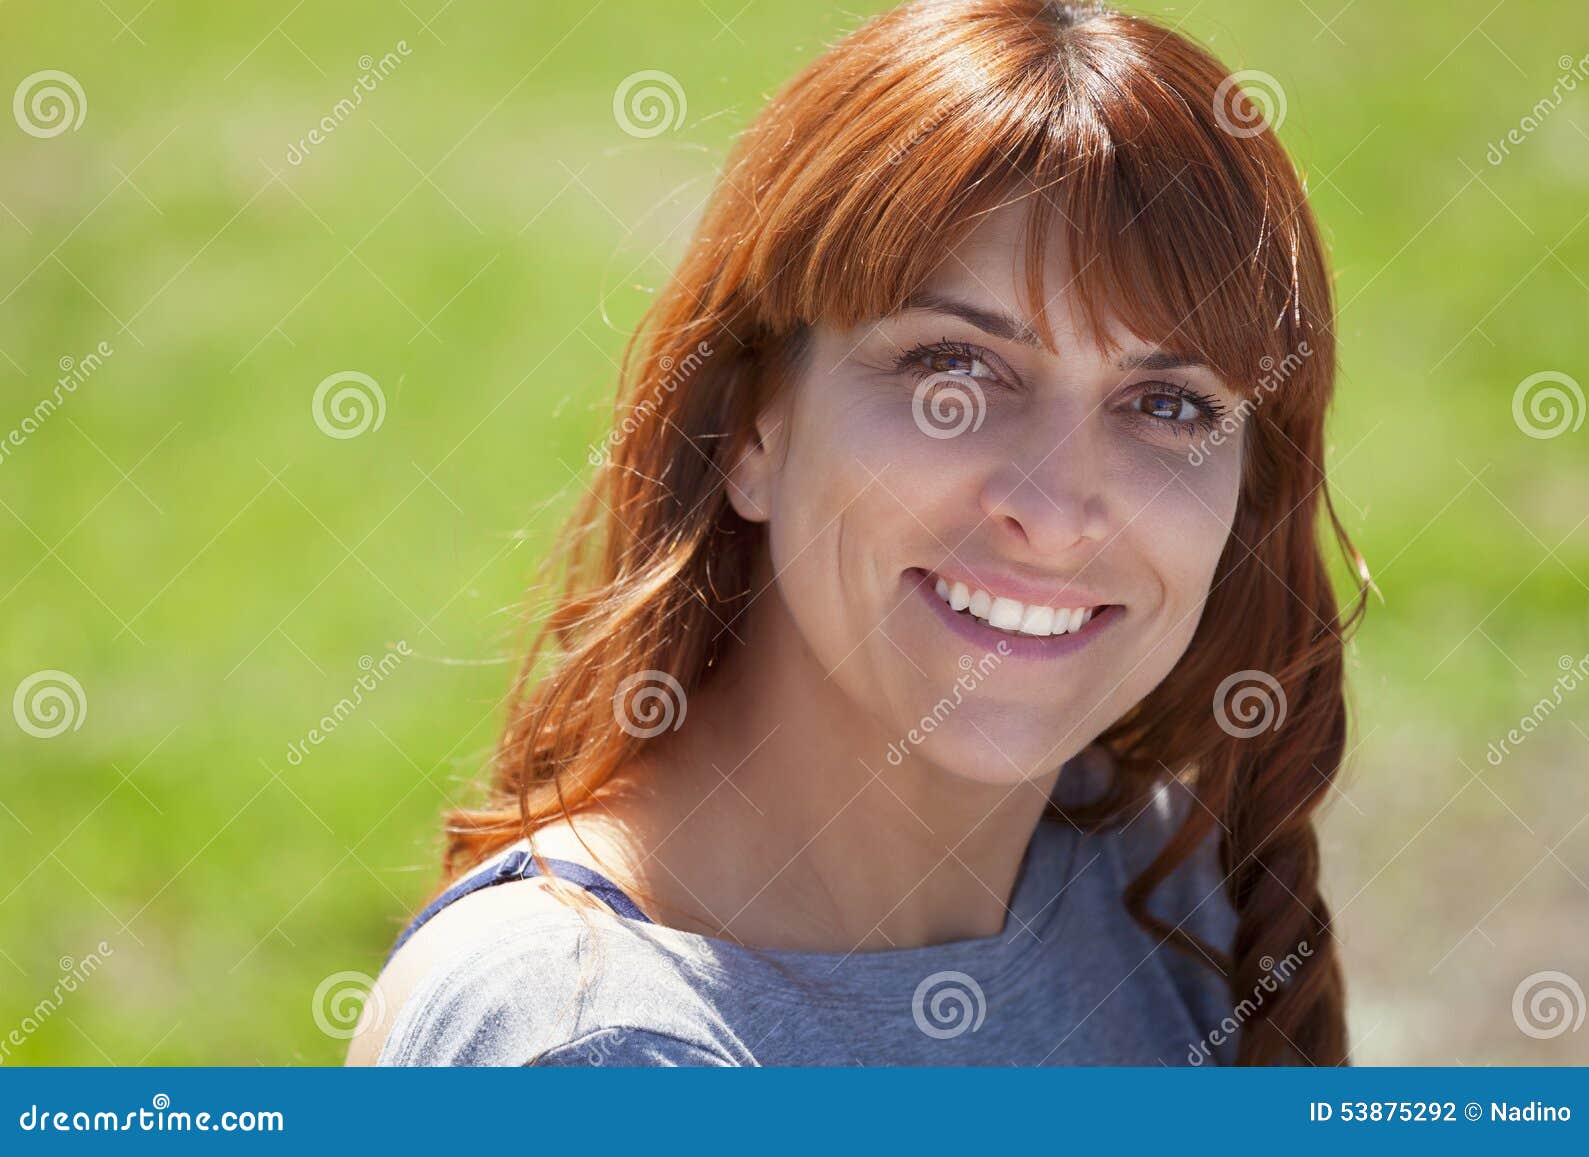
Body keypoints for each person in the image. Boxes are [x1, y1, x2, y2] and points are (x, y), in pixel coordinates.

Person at [349, 0, 1368, 1067]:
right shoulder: (596, 1044)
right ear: (752, 426)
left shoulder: (1149, 879)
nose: (1057, 510)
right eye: (955, 369)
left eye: (1167, 404)